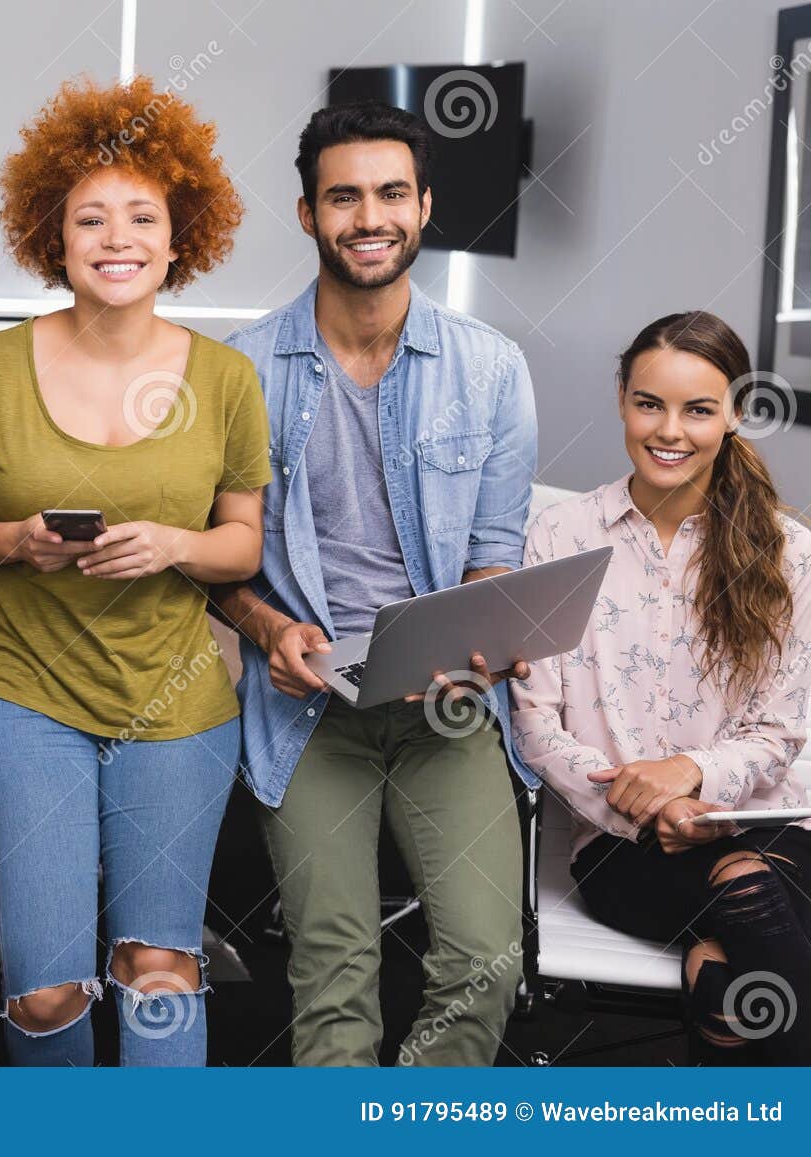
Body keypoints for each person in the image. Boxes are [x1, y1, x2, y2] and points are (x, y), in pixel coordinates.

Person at [0, 77, 269, 1067]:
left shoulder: (225, 378)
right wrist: (14, 541)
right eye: (89, 217)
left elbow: (241, 543)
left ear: (178, 237)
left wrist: (173, 544)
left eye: (140, 217)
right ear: (54, 235)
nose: (115, 237)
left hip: (175, 702)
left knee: (157, 963)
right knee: (43, 989)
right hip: (22, 689)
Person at [211, 101, 540, 1066]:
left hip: (448, 707)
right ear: (309, 213)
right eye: (343, 196)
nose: (370, 216)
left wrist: (475, 644)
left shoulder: (492, 368)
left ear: (425, 205)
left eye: (392, 192)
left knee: (486, 959)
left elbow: (495, 551)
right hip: (308, 708)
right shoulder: (240, 372)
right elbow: (217, 562)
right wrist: (269, 628)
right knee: (332, 963)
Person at [512, 311, 811, 1064]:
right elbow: (538, 727)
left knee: (728, 950)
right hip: (619, 845)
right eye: (650, 403)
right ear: (621, 399)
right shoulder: (561, 535)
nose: (669, 429)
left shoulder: (791, 553)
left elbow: (780, 731)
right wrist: (647, 808)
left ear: (736, 412)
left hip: (767, 824)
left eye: (699, 409)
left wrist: (692, 776)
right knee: (748, 896)